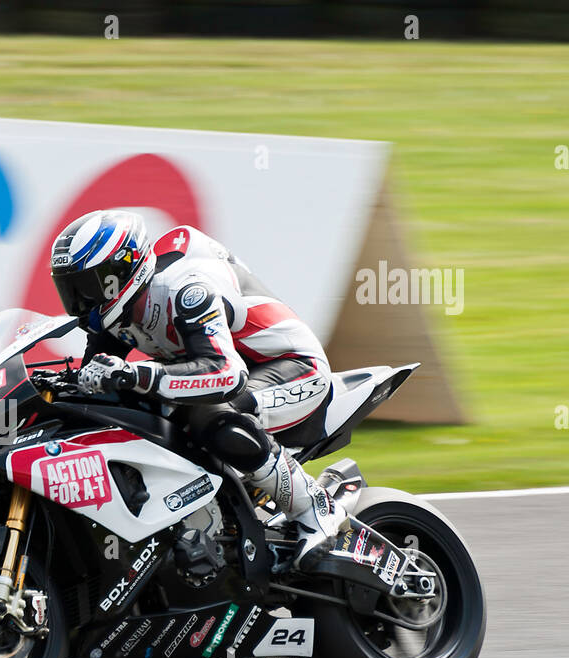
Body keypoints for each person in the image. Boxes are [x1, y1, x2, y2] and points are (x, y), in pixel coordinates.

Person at [50, 209, 347, 567]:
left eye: (88, 286)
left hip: (291, 367)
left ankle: (316, 507)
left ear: (121, 273)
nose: (80, 303)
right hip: (222, 374)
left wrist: (138, 375)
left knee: (215, 421)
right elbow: (94, 381)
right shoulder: (111, 315)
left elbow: (225, 375)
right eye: (71, 290)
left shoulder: (185, 291)